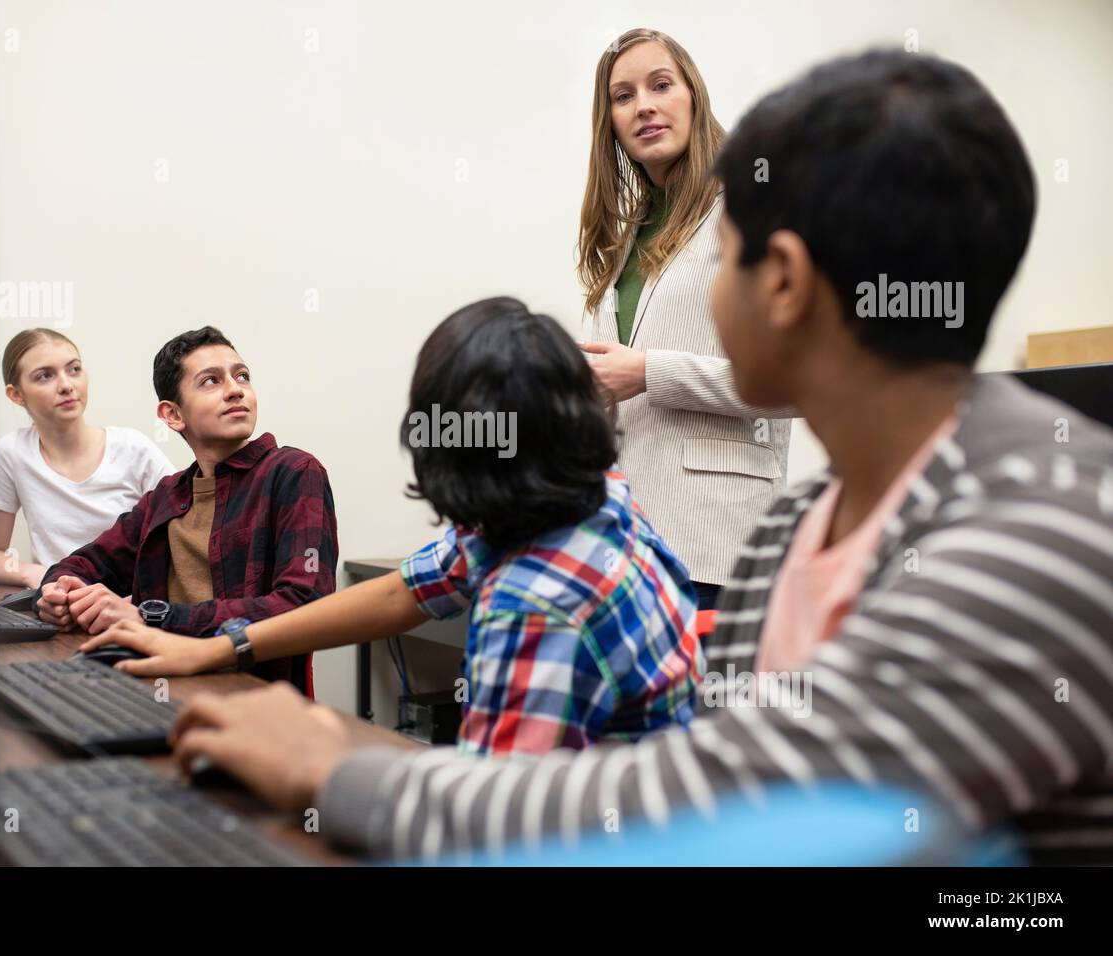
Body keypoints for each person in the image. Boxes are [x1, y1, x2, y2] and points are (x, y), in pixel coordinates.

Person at [164, 50, 1113, 864]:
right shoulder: (798, 523)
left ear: (779, 280)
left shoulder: (1036, 529)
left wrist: (339, 763)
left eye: (725, 249)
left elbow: (732, 795)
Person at [81, 299, 703, 756]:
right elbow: (404, 591)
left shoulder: (537, 600)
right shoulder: (588, 502)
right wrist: (217, 649)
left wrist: (323, 764)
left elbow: (487, 820)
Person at [577, 28, 796, 610]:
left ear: (693, 96)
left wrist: (651, 372)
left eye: (661, 85)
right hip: (627, 549)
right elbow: (621, 389)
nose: (643, 105)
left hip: (719, 547)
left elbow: (799, 383)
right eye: (623, 96)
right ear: (612, 124)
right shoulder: (624, 241)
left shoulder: (749, 208)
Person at [34, 326, 338, 694]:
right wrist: (59, 594)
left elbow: (305, 604)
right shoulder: (167, 496)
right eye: (211, 381)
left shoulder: (293, 472)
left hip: (252, 697)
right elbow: (84, 564)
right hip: (156, 686)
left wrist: (151, 617)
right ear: (173, 415)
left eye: (242, 376)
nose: (236, 389)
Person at [0, 328, 176, 588]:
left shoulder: (133, 448)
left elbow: (186, 532)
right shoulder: (13, 453)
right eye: (45, 376)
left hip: (126, 603)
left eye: (74, 369)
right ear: (16, 395)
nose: (67, 385)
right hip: (57, 603)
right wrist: (42, 575)